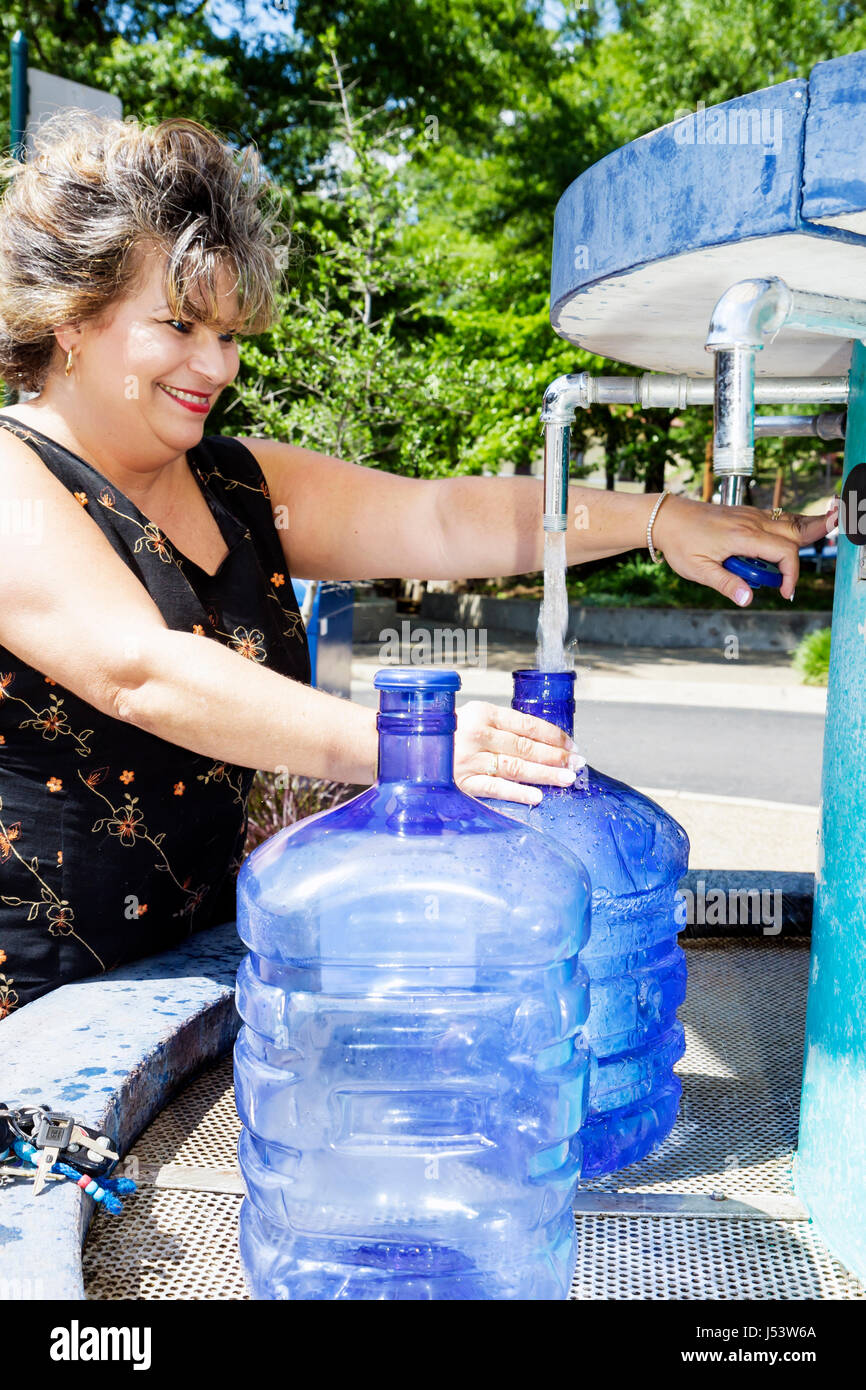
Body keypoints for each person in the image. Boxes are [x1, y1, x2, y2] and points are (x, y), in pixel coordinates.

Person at [0, 113, 833, 1016]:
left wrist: (662, 519)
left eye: (231, 333)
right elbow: (141, 672)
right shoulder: (12, 475)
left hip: (186, 986)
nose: (216, 364)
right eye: (180, 325)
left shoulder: (238, 482)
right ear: (71, 317)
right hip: (33, 1019)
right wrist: (415, 746)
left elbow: (441, 517)